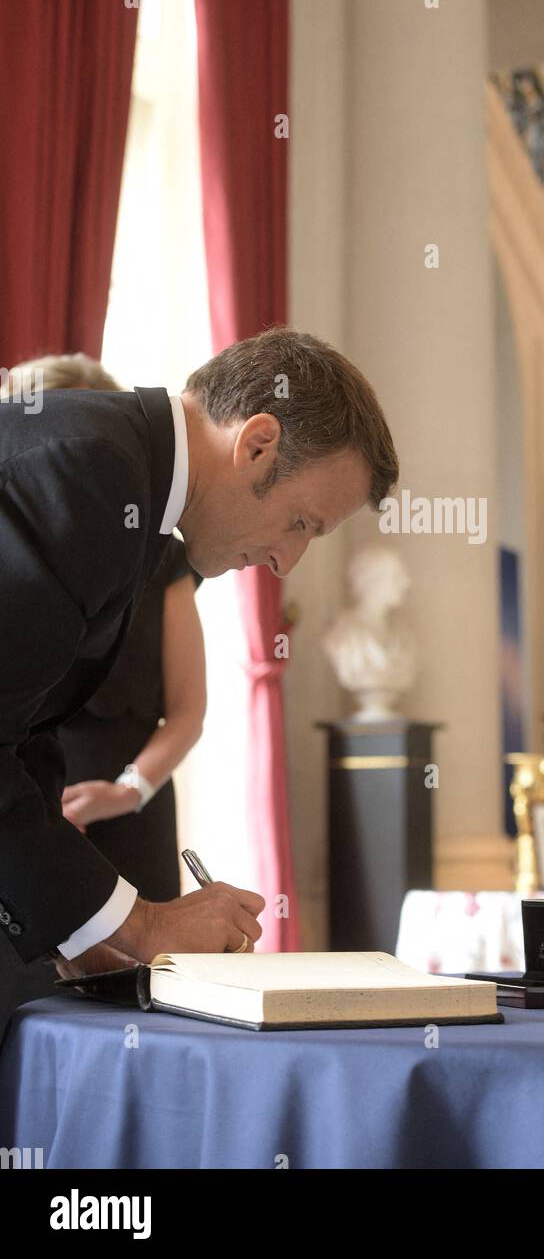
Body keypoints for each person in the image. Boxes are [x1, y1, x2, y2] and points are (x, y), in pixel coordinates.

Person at [0, 328, 399, 1001]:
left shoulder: (128, 484)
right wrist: (146, 921)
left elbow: (23, 729)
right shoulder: (91, 471)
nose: (285, 561)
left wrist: (85, 928)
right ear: (257, 444)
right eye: (303, 522)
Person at [4, 354, 206, 903]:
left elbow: (189, 709)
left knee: (147, 977)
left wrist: (127, 791)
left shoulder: (164, 557)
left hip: (131, 816)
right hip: (24, 804)